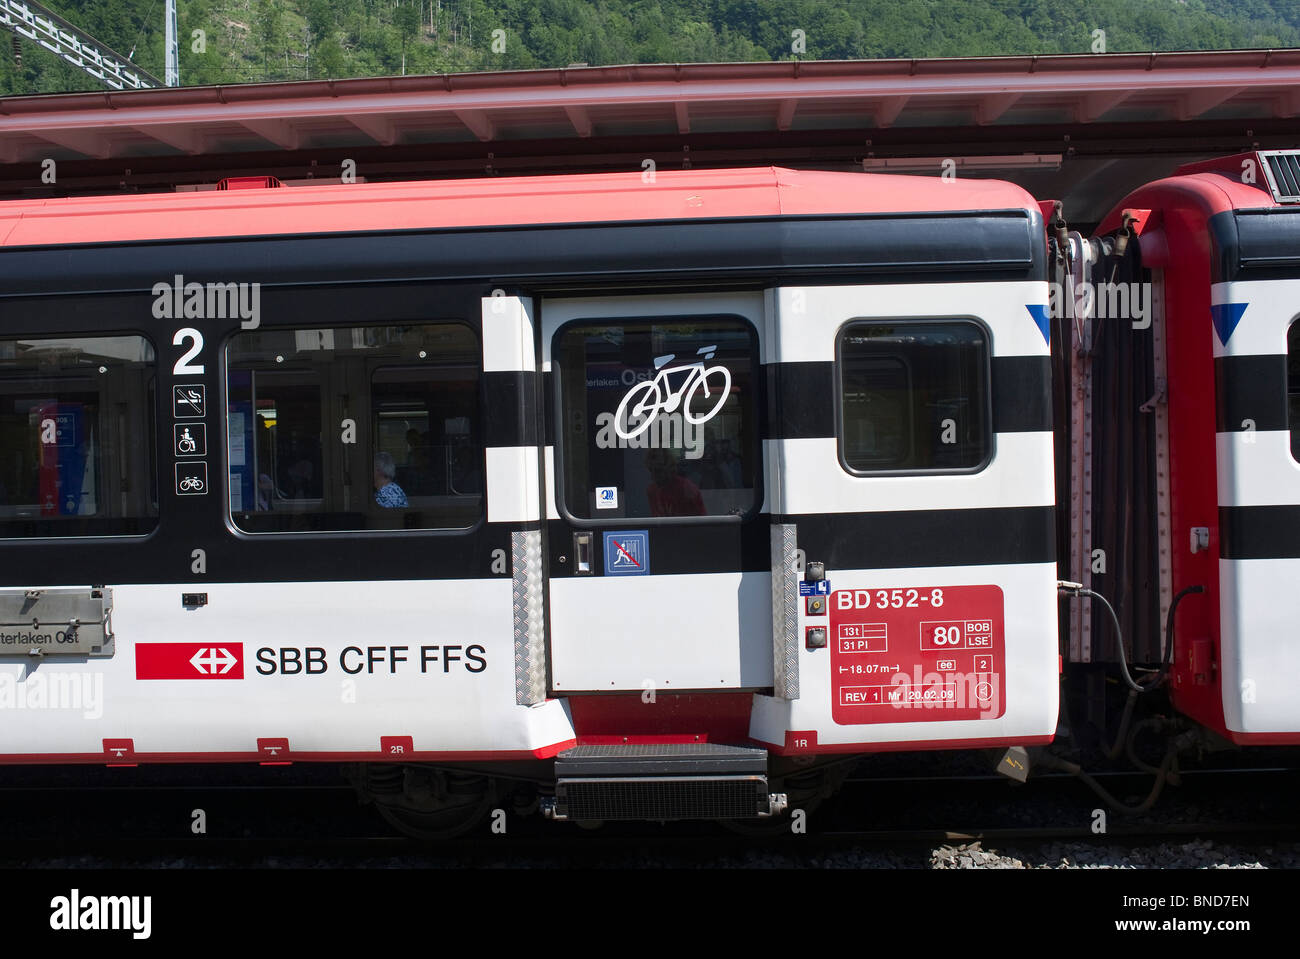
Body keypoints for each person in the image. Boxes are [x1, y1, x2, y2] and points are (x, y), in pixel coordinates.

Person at [645, 447, 704, 517]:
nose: (654, 476)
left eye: (658, 471)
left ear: (668, 468)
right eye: (651, 470)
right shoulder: (652, 491)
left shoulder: (686, 488)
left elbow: (700, 520)